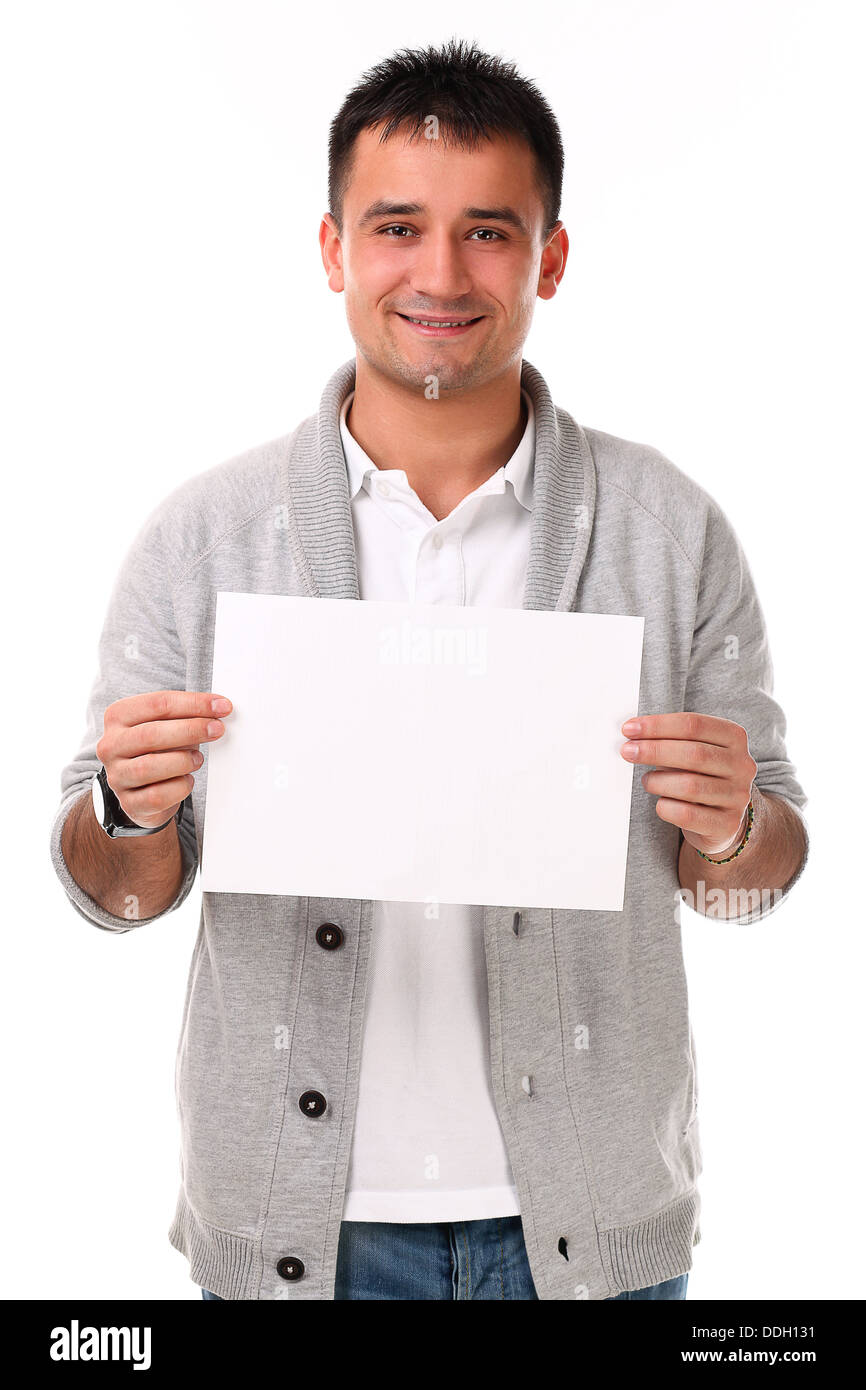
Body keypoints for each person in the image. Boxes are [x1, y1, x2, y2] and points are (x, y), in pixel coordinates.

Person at [49, 39, 809, 1301]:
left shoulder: (668, 531)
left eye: (490, 232)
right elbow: (112, 896)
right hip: (298, 1235)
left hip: (591, 1230)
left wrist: (733, 832)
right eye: (397, 225)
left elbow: (752, 889)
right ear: (334, 249)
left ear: (550, 257)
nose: (440, 274)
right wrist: (124, 808)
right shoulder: (204, 535)